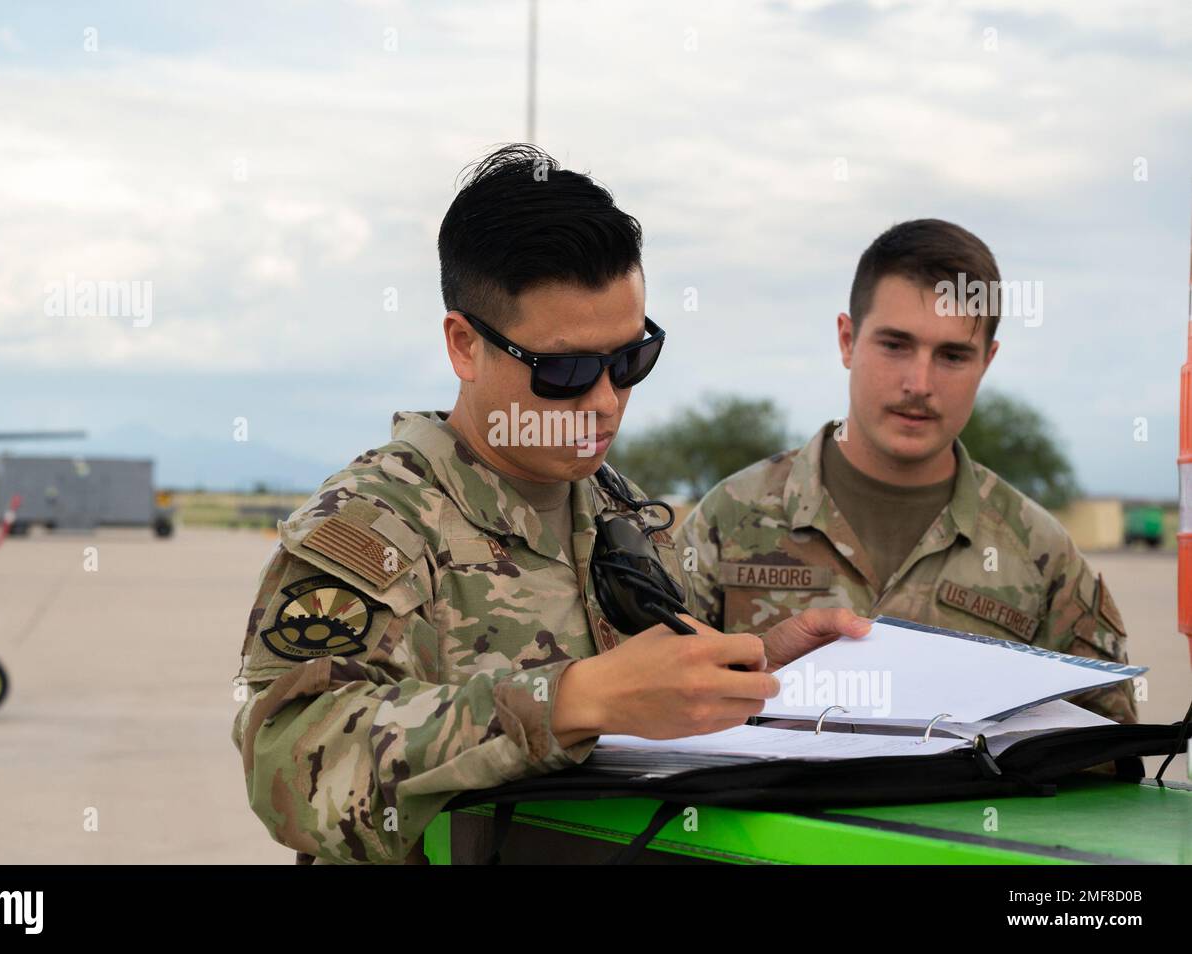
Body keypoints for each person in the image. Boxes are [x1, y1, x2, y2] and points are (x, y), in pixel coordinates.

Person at [230, 144, 870, 864]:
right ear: (465, 345)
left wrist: (753, 670)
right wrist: (569, 701)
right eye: (564, 371)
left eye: (631, 360)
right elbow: (287, 764)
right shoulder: (373, 528)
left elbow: (646, 703)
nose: (603, 402)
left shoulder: (611, 508)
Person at [677, 218, 1136, 724]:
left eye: (953, 355)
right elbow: (646, 713)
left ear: (987, 361)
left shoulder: (1042, 555)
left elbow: (1105, 759)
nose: (919, 383)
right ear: (847, 341)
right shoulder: (727, 521)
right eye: (895, 345)